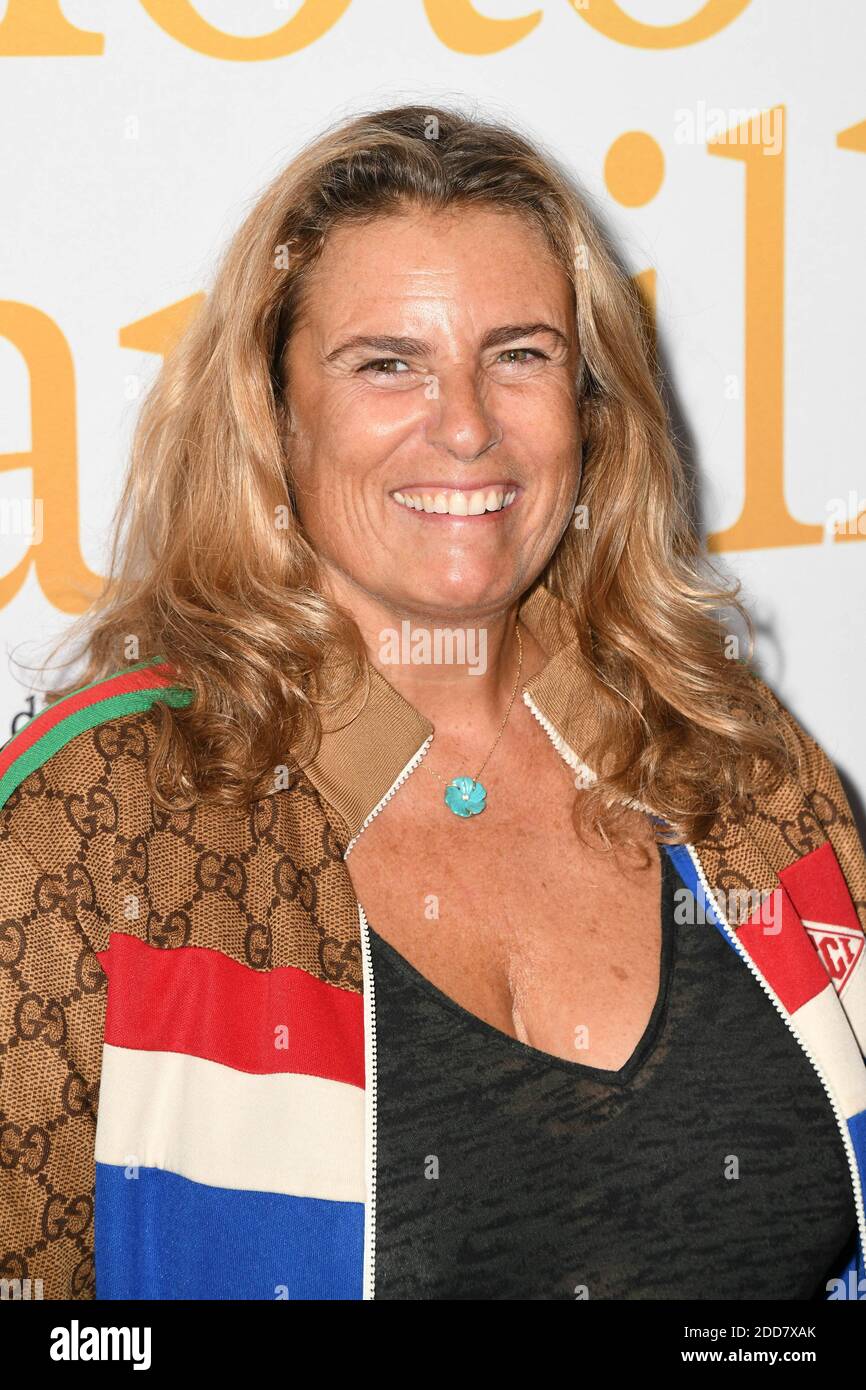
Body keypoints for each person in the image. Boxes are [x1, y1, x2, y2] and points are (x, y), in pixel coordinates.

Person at [1, 102, 865, 1302]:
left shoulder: (729, 755)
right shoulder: (98, 821)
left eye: (519, 355)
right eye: (387, 363)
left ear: (590, 405)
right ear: (272, 414)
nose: (464, 426)